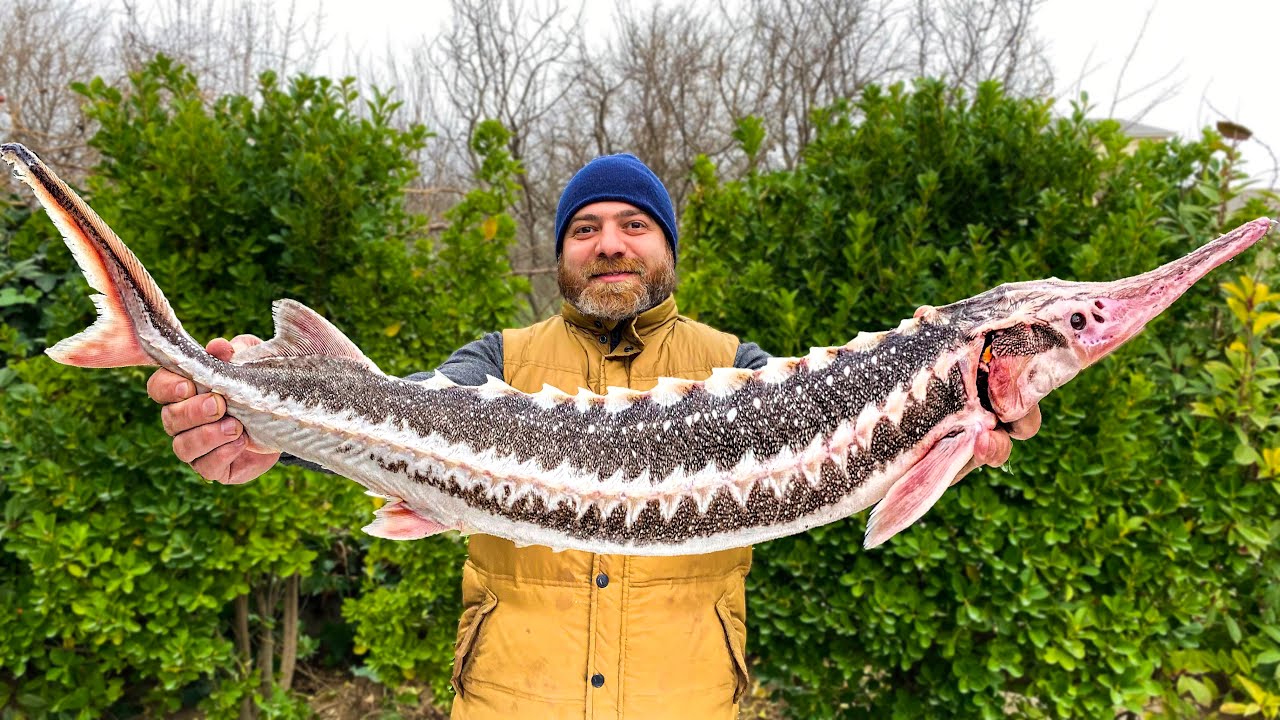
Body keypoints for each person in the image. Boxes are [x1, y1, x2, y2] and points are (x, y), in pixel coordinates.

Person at [147, 154, 1041, 719]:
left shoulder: (752, 372)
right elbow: (395, 419)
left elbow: (866, 457)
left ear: (667, 249)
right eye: (584, 229)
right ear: (562, 256)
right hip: (510, 705)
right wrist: (268, 434)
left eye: (632, 225)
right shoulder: (493, 362)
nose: (608, 244)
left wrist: (968, 427)